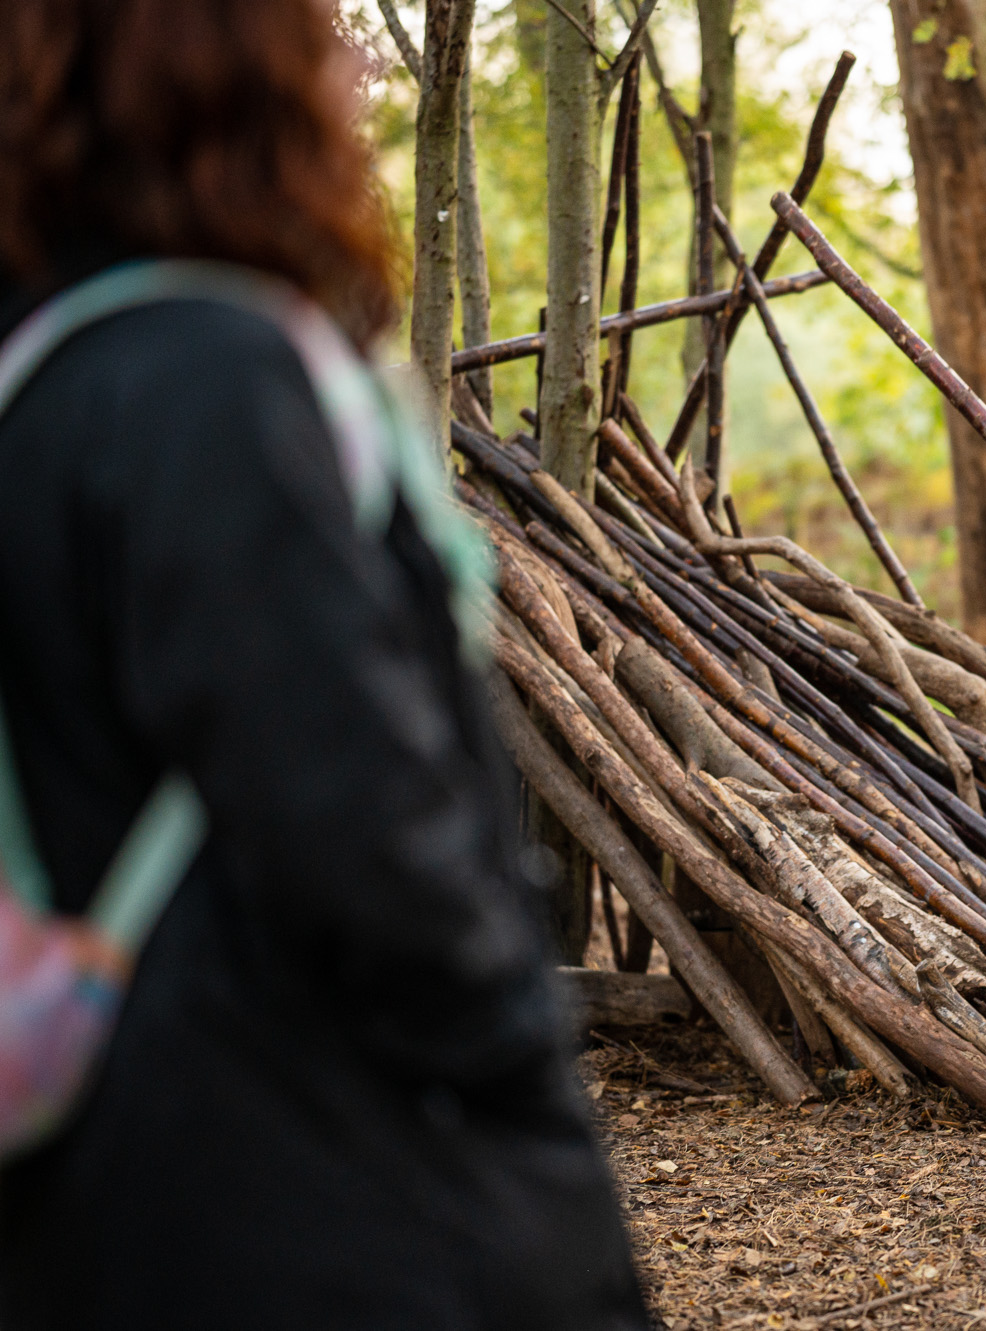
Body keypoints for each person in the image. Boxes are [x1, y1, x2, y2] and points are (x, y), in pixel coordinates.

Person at [0, 3, 645, 1327]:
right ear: (219, 72)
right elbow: (351, 808)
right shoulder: (204, 378)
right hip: (305, 1178)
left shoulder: (43, 372)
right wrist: (518, 1089)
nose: (351, 71)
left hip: (118, 1168)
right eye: (319, 38)